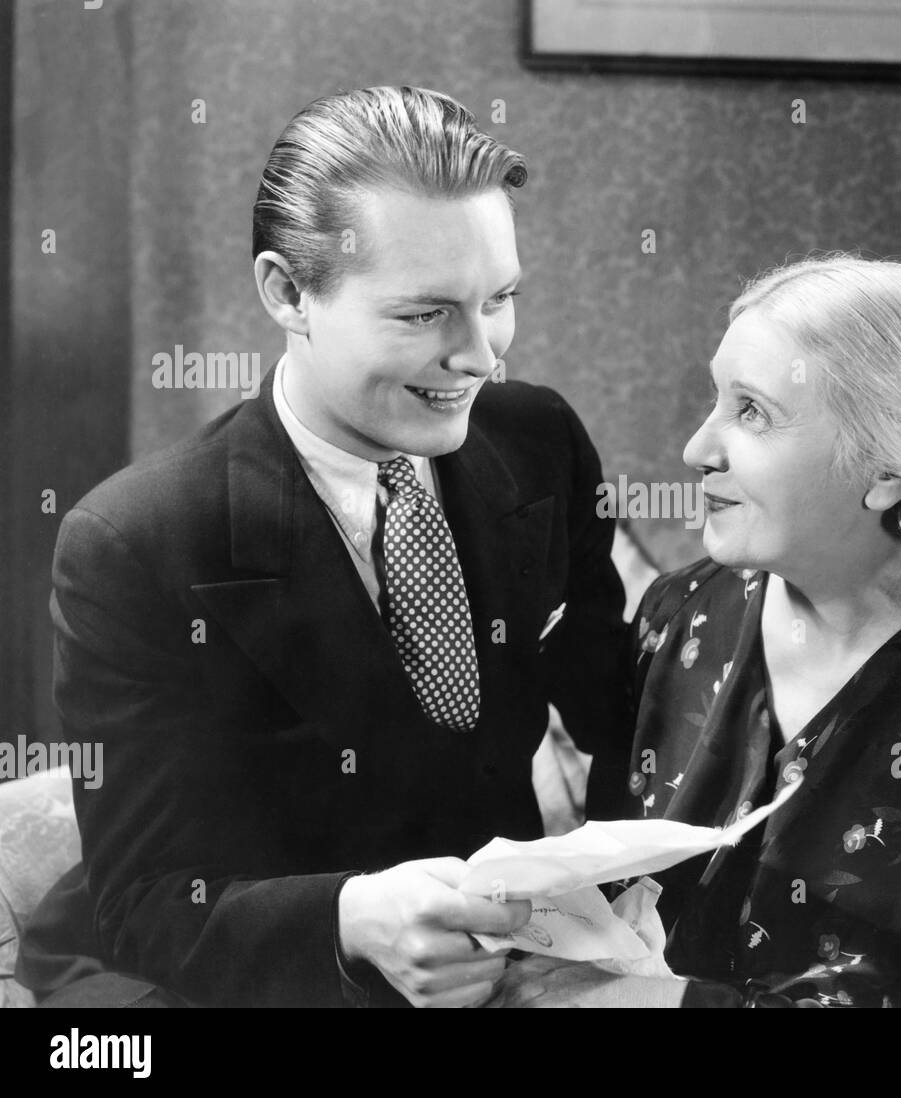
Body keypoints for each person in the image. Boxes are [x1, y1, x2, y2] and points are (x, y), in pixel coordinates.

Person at [16, 86, 630, 1008]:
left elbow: (625, 720)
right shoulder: (136, 543)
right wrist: (353, 919)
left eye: (499, 299)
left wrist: (632, 910)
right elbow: (146, 903)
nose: (481, 356)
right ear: (287, 292)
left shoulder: (540, 442)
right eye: (425, 315)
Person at [493, 255, 901, 1008]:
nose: (696, 449)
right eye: (715, 399)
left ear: (886, 469)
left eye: (751, 412)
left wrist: (646, 1002)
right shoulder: (680, 617)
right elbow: (606, 900)